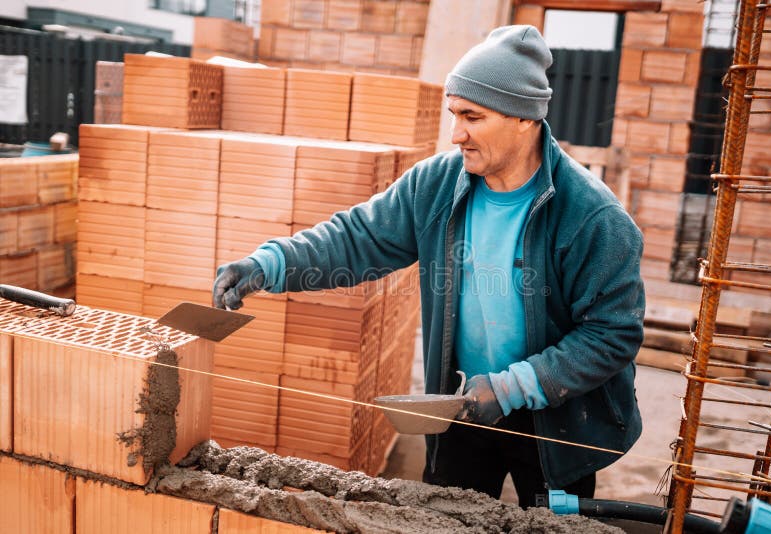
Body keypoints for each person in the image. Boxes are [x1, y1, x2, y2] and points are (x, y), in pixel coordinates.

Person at [213, 25, 645, 507]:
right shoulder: (436, 184)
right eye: (453, 115)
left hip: (557, 422)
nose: (456, 133)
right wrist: (269, 263)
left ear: (524, 118)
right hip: (459, 408)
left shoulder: (592, 217)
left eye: (472, 117)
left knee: (550, 522)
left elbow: (612, 334)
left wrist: (513, 387)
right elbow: (357, 237)